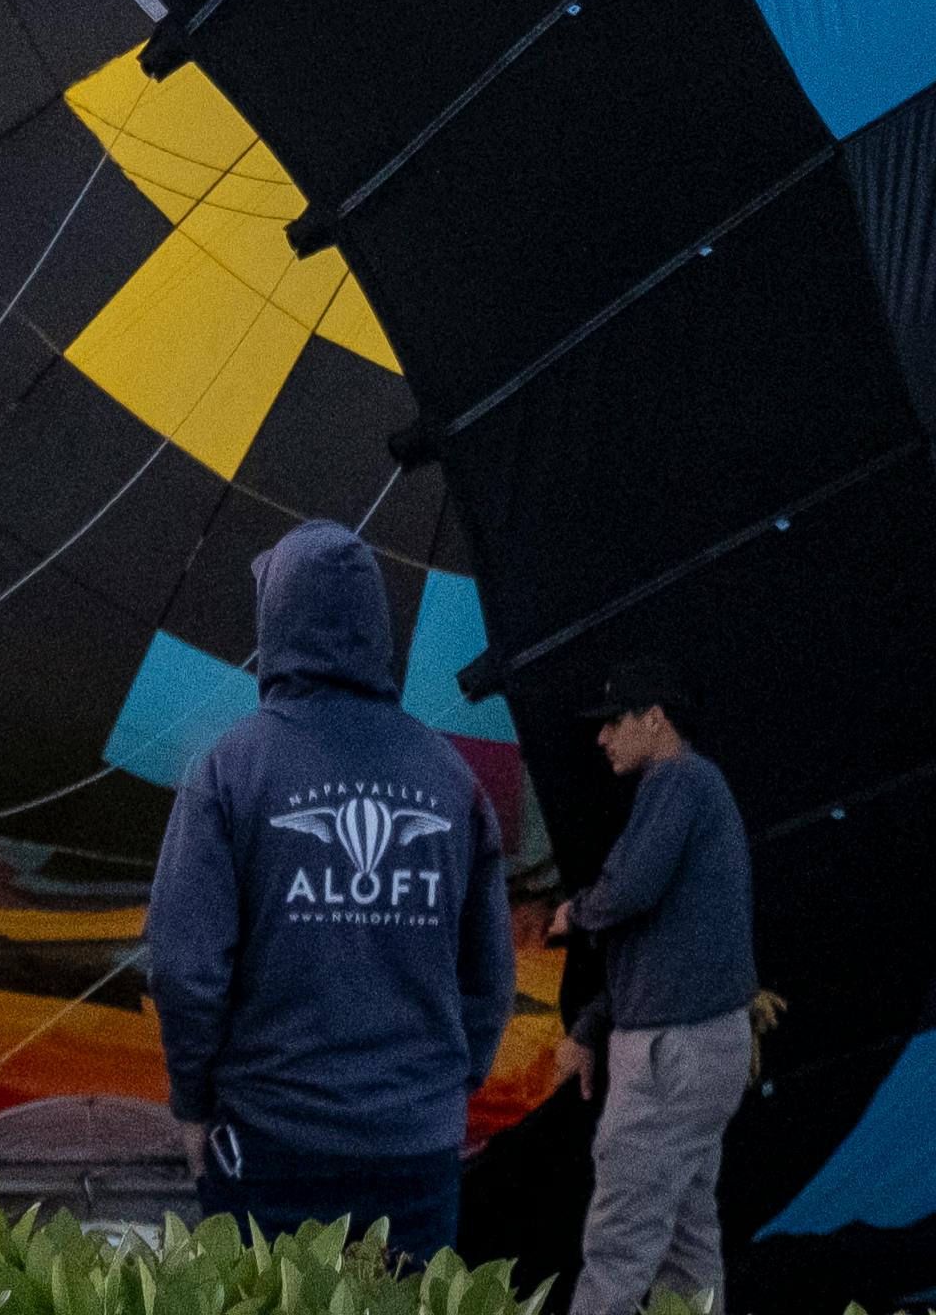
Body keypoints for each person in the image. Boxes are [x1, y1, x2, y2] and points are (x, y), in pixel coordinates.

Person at [142, 520, 518, 1250]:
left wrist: (193, 1102)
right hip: (416, 1155)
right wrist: (437, 1095)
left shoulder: (230, 769)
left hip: (270, 1148)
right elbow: (491, 978)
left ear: (276, 619)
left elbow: (186, 969)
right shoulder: (452, 780)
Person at [542, 654, 755, 1315]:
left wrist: (572, 913)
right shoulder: (698, 793)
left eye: (614, 721)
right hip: (700, 1050)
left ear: (655, 719)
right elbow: (661, 945)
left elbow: (631, 889)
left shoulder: (679, 782)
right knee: (687, 1252)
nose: (601, 737)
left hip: (672, 1056)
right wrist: (590, 1028)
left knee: (619, 1247)